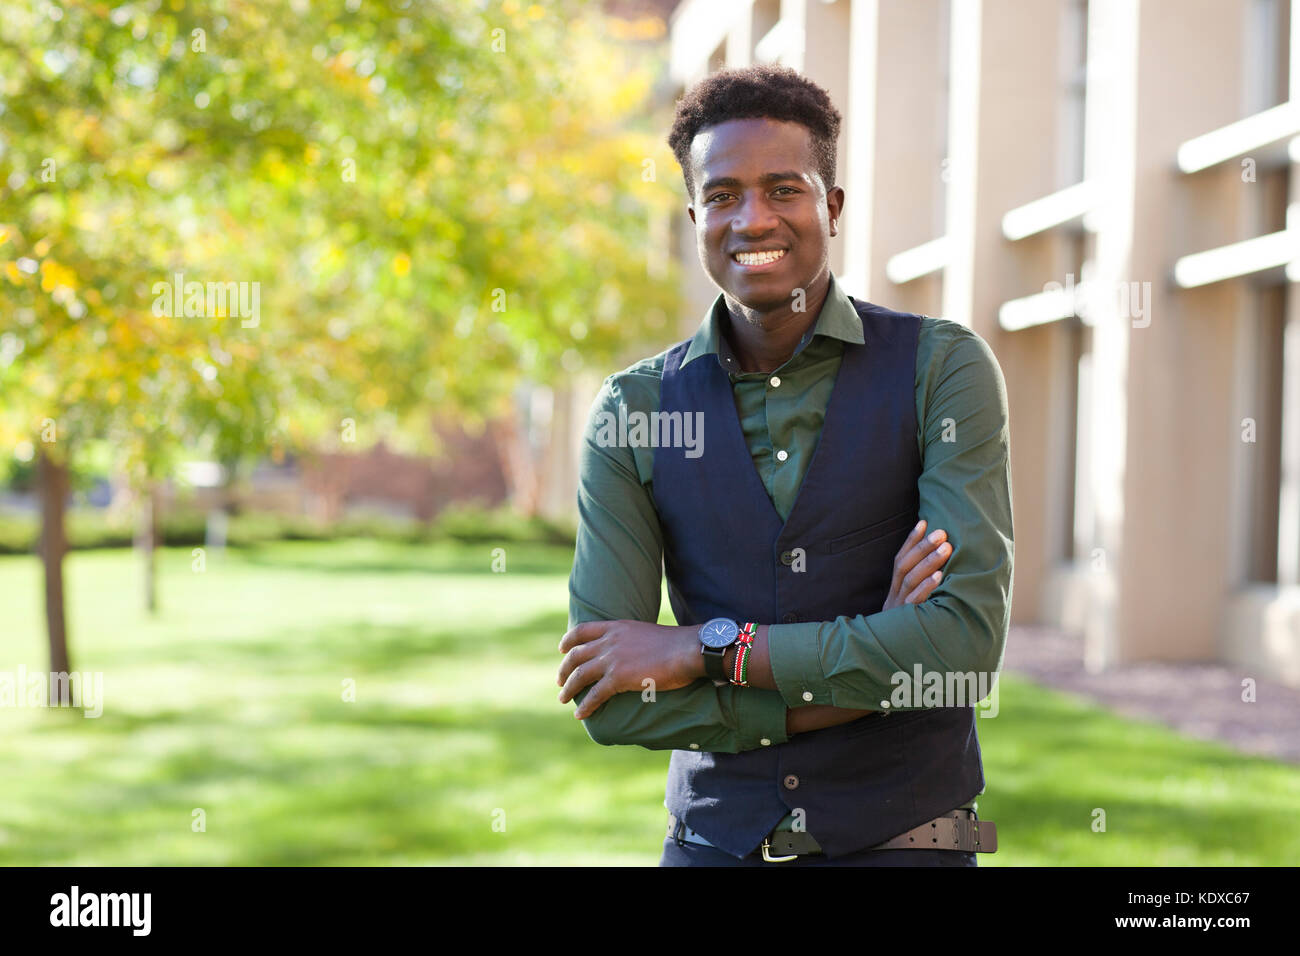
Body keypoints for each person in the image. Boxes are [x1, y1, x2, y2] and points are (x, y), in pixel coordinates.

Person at [556, 64, 1013, 866]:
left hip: (907, 845)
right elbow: (611, 703)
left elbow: (960, 651)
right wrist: (866, 665)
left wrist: (703, 650)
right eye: (724, 195)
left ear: (831, 207)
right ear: (695, 214)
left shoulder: (941, 370)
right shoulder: (634, 413)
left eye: (784, 189)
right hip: (712, 848)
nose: (752, 219)